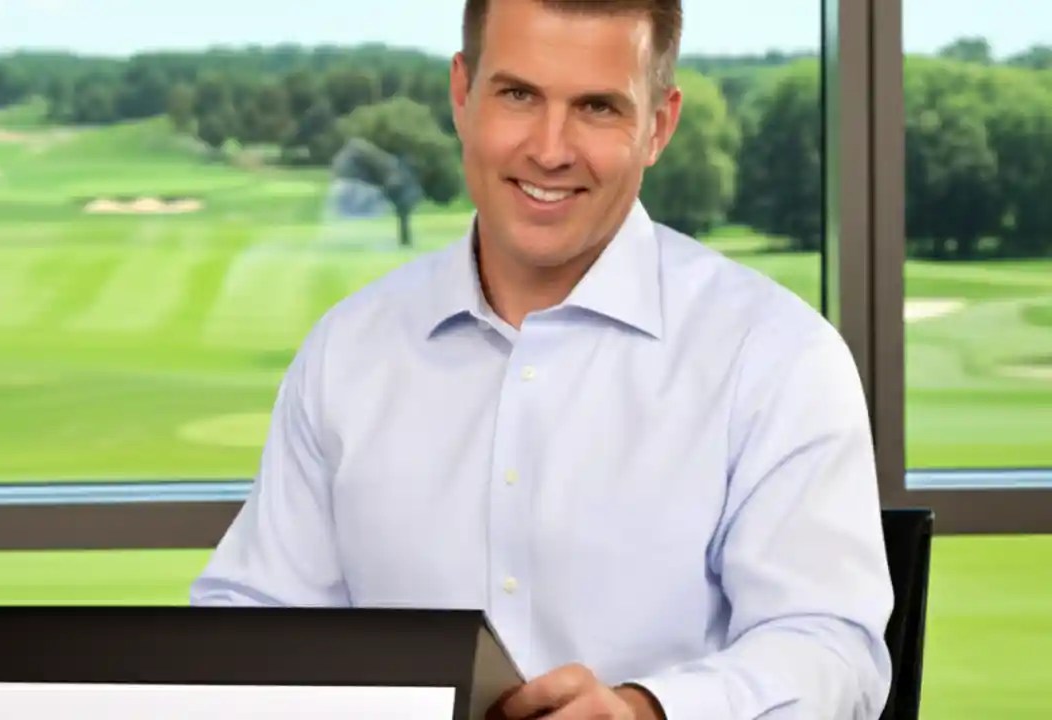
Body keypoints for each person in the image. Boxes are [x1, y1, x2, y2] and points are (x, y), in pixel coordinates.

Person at [190, 0, 895, 717]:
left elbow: (831, 652)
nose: (551, 150)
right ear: (462, 95)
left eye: (597, 107)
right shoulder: (346, 351)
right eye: (519, 95)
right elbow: (253, 621)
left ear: (658, 126)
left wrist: (647, 711)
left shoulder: (778, 358)